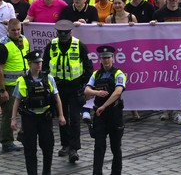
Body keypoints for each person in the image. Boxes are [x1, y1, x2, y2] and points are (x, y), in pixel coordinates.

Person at [12, 49, 64, 175]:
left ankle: (47, 171)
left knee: (48, 146)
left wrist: (61, 115)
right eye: (36, 62)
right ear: (30, 63)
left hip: (45, 117)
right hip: (29, 118)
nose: (39, 64)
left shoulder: (48, 78)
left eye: (40, 62)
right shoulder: (22, 80)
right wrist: (13, 119)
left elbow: (57, 98)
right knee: (30, 148)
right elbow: (17, 100)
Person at [46, 18, 87, 165]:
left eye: (65, 34)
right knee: (62, 118)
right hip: (58, 87)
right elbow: (45, 66)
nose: (63, 37)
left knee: (75, 119)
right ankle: (65, 144)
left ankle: (74, 149)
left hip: (75, 87)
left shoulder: (79, 45)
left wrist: (83, 86)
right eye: (60, 34)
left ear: (70, 32)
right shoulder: (52, 45)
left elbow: (88, 67)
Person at [0, 15, 31, 153]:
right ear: (7, 30)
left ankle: (22, 136)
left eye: (18, 30)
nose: (16, 32)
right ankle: (7, 141)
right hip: (9, 86)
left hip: (24, 84)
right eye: (13, 30)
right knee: (9, 113)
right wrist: (2, 90)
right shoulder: (2, 45)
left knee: (28, 111)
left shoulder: (24, 40)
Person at [86, 44, 125, 175]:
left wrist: (104, 106)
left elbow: (118, 92)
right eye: (103, 58)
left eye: (108, 58)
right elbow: (87, 90)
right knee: (99, 147)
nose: (106, 61)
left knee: (115, 147)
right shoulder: (96, 74)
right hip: (100, 116)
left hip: (114, 115)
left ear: (113, 58)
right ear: (100, 60)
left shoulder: (118, 74)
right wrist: (97, 93)